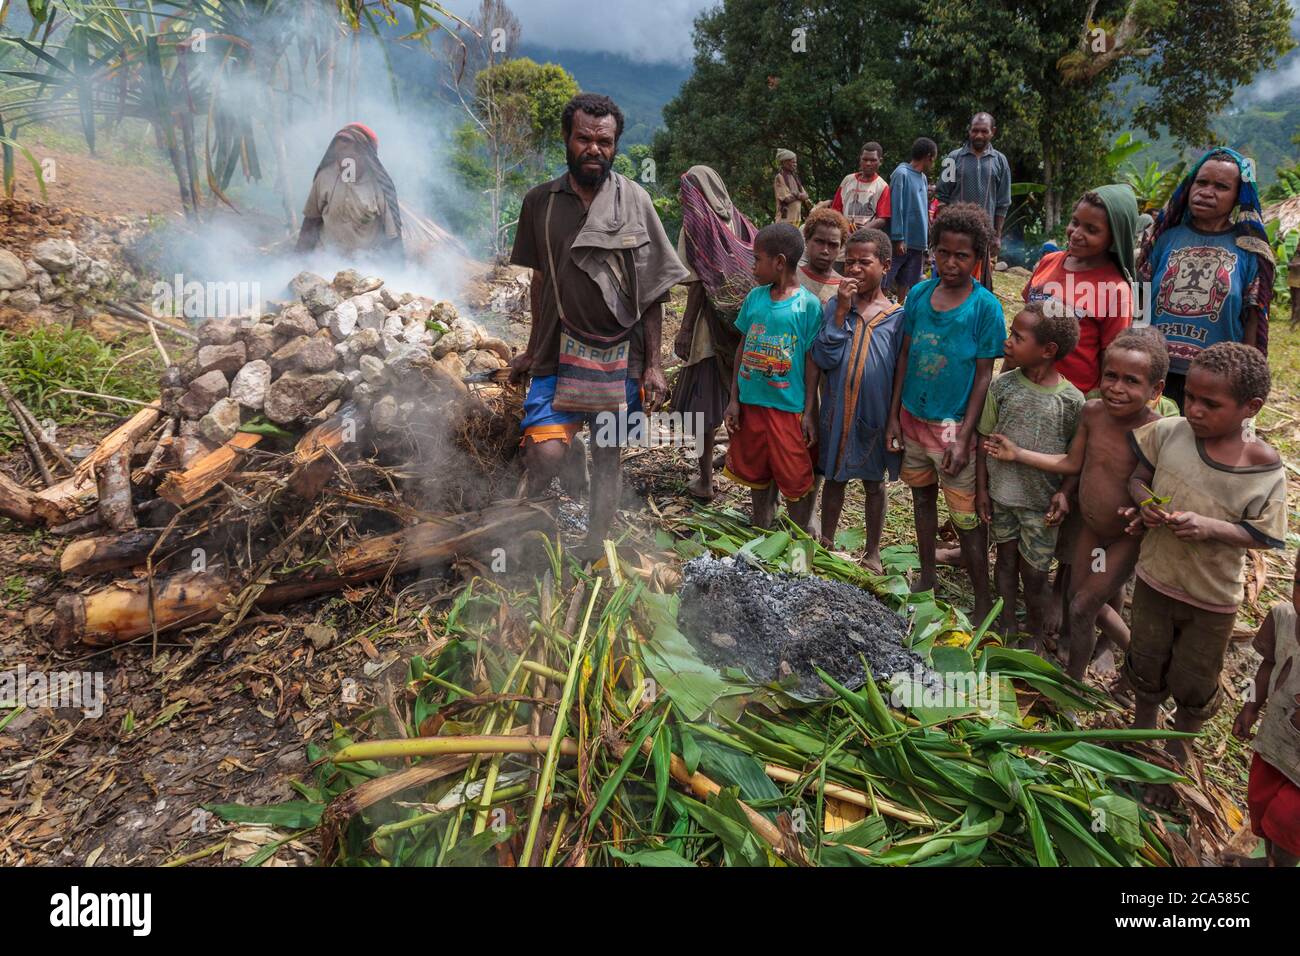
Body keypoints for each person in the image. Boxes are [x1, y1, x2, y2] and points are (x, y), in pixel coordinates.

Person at [508, 93, 688, 550]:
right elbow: (539, 281)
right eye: (584, 138)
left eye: (604, 141)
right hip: (556, 352)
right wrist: (531, 348)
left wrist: (652, 366)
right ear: (567, 139)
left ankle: (594, 542)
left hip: (621, 359)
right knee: (543, 452)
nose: (594, 149)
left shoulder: (636, 200)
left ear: (615, 145)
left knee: (610, 456)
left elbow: (652, 291)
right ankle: (551, 495)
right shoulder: (540, 203)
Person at [1120, 342, 1287, 807]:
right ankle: (1138, 738)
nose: (1194, 408)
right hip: (1156, 576)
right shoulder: (1169, 432)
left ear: (1250, 408)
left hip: (1210, 598)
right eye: (1190, 395)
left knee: (1194, 679)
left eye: (1210, 403)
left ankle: (1174, 760)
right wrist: (1145, 504)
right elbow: (1138, 479)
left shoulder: (1262, 465)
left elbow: (1266, 535)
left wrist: (1211, 527)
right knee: (1147, 661)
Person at [985, 327, 1168, 679]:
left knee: (1087, 605)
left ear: (1156, 390)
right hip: (1090, 528)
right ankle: (1083, 674)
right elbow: (1071, 463)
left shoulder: (1160, 431)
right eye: (1111, 376)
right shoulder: (1093, 413)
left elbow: (1162, 486)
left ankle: (1136, 668)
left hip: (1124, 537)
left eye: (1131, 381)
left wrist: (1145, 507)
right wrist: (1018, 454)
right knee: (1079, 603)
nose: (1117, 387)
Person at [885, 203, 1005, 621]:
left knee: (967, 517)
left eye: (963, 255)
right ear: (932, 250)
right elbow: (904, 355)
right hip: (914, 419)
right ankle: (928, 575)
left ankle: (983, 596)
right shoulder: (918, 294)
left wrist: (968, 434)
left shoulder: (985, 307)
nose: (951, 263)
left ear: (979, 258)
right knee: (922, 498)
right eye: (944, 252)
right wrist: (893, 416)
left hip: (954, 427)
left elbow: (984, 376)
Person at [975, 302, 1084, 651]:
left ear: (1048, 350)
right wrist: (982, 490)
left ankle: (1035, 631)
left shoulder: (1071, 402)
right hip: (1002, 496)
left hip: (1041, 506)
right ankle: (1006, 622)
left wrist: (1065, 492)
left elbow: (1074, 459)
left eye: (1018, 337)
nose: (1008, 342)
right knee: (1005, 561)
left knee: (1035, 574)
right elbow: (983, 440)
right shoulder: (1002, 387)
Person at [1137, 147, 1276, 410]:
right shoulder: (1163, 239)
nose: (1207, 192)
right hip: (1154, 372)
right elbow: (1140, 299)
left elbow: (1253, 321)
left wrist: (1246, 382)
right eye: (1201, 182)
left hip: (1215, 381)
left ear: (1238, 197)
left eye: (1221, 186)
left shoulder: (1249, 251)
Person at [810, 229, 905, 572]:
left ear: (885, 265)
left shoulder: (896, 317)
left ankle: (873, 550)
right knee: (834, 478)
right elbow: (823, 356)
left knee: (873, 483)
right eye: (848, 262)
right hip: (837, 410)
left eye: (864, 262)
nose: (854, 269)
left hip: (875, 414)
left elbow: (898, 374)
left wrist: (894, 418)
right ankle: (827, 541)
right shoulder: (835, 307)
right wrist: (841, 313)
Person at [723, 223, 823, 531]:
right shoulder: (755, 298)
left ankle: (798, 537)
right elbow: (742, 347)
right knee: (757, 473)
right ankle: (761, 528)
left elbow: (811, 362)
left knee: (794, 475)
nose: (753, 267)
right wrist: (733, 400)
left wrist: (809, 412)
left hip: (787, 408)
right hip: (752, 404)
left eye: (757, 260)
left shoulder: (808, 305)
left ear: (779, 262)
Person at [672, 165, 759, 501]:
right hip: (744, 327)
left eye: (687, 189)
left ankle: (706, 479)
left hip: (710, 329)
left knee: (702, 407)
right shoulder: (741, 223)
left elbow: (697, 285)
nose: (683, 197)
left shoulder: (697, 227)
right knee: (738, 394)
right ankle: (737, 461)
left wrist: (685, 330)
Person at [1017, 186, 1138, 395]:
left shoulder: (1117, 291)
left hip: (1070, 399)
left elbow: (1110, 358)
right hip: (1024, 385)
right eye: (1075, 222)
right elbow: (1022, 328)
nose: (1076, 233)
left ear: (1114, 237)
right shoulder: (1048, 262)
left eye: (1092, 230)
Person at [1230, 550, 1300, 868]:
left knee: (1288, 823)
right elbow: (1267, 665)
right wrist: (1250, 707)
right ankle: (1270, 860)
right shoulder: (1283, 618)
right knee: (1262, 805)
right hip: (1274, 747)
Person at [297, 123, 404, 260]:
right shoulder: (325, 177)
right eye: (339, 155)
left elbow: (392, 237)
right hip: (326, 263)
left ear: (366, 157)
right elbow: (310, 224)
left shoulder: (379, 186)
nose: (343, 162)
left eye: (349, 156)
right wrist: (297, 263)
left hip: (367, 265)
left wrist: (397, 273)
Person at [936, 113, 1012, 289]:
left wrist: (997, 236)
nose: (978, 135)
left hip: (983, 236)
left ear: (993, 132)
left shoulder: (1000, 161)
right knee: (950, 280)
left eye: (984, 131)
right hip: (954, 235)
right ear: (969, 130)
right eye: (975, 130)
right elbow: (942, 196)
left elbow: (1003, 202)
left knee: (979, 286)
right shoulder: (952, 158)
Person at [885, 138, 938, 305]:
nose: (933, 164)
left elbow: (922, 208)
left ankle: (900, 308)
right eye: (934, 160)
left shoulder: (922, 178)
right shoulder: (902, 173)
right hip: (902, 241)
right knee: (887, 277)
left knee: (907, 281)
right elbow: (896, 206)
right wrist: (898, 237)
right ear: (929, 157)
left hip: (917, 241)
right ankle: (880, 308)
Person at [829, 143, 891, 233]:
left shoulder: (882, 186)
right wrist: (844, 229)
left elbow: (882, 218)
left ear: (880, 161)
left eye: (873, 160)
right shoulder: (848, 180)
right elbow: (836, 209)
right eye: (865, 159)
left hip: (867, 237)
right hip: (843, 233)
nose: (868, 163)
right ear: (860, 159)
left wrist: (863, 230)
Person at [798, 206, 850, 304]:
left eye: (833, 245)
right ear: (807, 241)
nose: (825, 250)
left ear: (841, 247)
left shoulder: (844, 288)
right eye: (819, 242)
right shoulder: (791, 277)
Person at [773, 149, 809, 226]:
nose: (795, 164)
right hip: (785, 219)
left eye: (795, 162)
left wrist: (795, 194)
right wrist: (799, 195)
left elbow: (806, 196)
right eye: (793, 162)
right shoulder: (780, 177)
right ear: (784, 162)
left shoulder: (795, 177)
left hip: (797, 218)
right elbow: (786, 199)